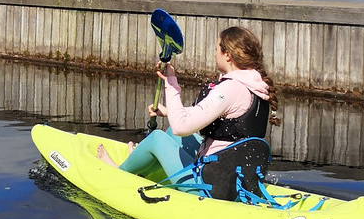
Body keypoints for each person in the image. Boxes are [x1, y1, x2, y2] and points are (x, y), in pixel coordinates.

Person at [97, 25, 279, 185]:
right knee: (173, 136)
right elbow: (224, 119)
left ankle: (119, 171)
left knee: (159, 138)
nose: (214, 53)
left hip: (211, 183)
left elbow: (181, 127)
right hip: (236, 177)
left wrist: (171, 84)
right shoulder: (255, 84)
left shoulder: (231, 88)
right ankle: (141, 166)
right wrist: (170, 112)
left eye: (216, 49)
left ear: (228, 55)